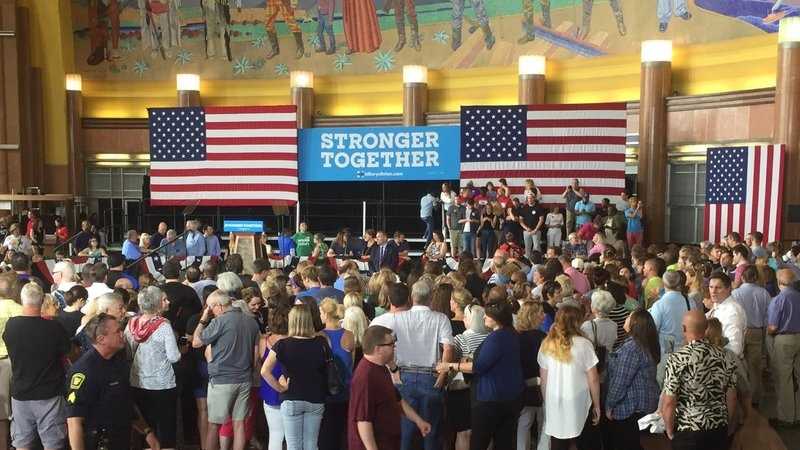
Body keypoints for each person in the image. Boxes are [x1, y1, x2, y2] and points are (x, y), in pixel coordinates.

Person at [371, 282, 454, 450]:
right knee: (431, 432)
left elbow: (382, 344)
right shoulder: (441, 318)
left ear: (411, 298)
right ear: (431, 297)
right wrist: (443, 374)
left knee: (405, 432)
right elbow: (448, 349)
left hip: (403, 376)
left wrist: (393, 368)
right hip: (431, 377)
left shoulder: (396, 318)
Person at [66, 313, 161, 450]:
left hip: (121, 439)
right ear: (101, 339)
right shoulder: (83, 371)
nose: (122, 334)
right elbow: (74, 421)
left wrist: (147, 432)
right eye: (117, 331)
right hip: (98, 442)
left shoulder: (119, 363)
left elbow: (126, 402)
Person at [4, 282, 70, 450]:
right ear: (42, 301)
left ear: (22, 300)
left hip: (20, 394)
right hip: (49, 395)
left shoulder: (11, 326)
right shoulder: (53, 327)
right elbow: (66, 351)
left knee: (22, 443)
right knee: (53, 444)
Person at [192, 290, 261, 450]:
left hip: (222, 380)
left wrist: (203, 319)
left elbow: (196, 341)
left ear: (218, 306)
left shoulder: (220, 322)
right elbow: (255, 354)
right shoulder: (251, 322)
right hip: (244, 379)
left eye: (210, 308)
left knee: (214, 425)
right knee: (239, 425)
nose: (210, 311)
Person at [661, 310, 737, 448]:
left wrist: (670, 431)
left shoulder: (677, 359)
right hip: (718, 427)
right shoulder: (725, 357)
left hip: (688, 429)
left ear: (683, 329)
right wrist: (729, 427)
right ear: (706, 328)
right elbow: (731, 397)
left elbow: (669, 402)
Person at [348, 325, 431, 450]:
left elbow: (397, 399)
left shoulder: (381, 368)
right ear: (378, 349)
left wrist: (419, 421)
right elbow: (363, 421)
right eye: (391, 344)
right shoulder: (365, 377)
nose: (394, 348)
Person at [261, 304, 327, 450]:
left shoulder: (282, 345)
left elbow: (264, 371)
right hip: (316, 397)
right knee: (311, 444)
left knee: (293, 445)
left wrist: (280, 387)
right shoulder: (322, 343)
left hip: (290, 398)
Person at [538, 305, 601, 450]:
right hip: (578, 398)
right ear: (577, 322)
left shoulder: (547, 344)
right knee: (579, 439)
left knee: (557, 440)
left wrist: (547, 400)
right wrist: (597, 405)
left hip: (554, 397)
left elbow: (544, 378)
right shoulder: (584, 344)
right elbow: (593, 379)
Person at [126, 286, 181, 450]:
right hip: (162, 384)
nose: (168, 302)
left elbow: (128, 354)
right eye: (164, 299)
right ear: (157, 304)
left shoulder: (131, 323)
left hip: (137, 382)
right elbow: (173, 356)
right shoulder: (163, 326)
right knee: (166, 429)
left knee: (146, 429)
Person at [605, 309, 660, 450]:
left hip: (630, 405)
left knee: (625, 443)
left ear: (635, 323)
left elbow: (621, 381)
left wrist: (609, 405)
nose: (625, 318)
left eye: (629, 316)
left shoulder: (632, 348)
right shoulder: (644, 343)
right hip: (643, 402)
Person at [732, 265, 771, 406]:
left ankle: (741, 396)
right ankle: (755, 398)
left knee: (739, 365)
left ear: (742, 277)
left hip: (741, 330)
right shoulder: (764, 293)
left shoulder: (736, 293)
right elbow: (768, 315)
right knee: (755, 366)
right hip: (757, 331)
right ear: (755, 277)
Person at [319, 298, 354, 450]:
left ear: (326, 314)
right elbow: (350, 365)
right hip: (346, 390)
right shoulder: (349, 334)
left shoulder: (319, 336)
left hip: (325, 392)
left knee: (326, 435)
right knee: (342, 432)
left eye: (320, 312)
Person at [767, 268, 800, 428]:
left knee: (784, 378)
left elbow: (773, 327)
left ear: (779, 283)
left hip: (784, 339)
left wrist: (768, 332)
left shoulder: (778, 300)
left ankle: (786, 417)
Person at [515, 301, 547, 450]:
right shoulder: (543, 337)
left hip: (522, 385)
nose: (544, 316)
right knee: (544, 424)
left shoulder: (516, 337)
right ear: (533, 316)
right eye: (540, 313)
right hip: (542, 385)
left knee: (524, 423)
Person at [706, 272, 746, 358]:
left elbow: (735, 348)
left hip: (728, 364)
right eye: (711, 287)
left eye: (718, 288)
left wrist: (712, 357)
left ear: (728, 289)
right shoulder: (718, 305)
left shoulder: (732, 311)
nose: (713, 291)